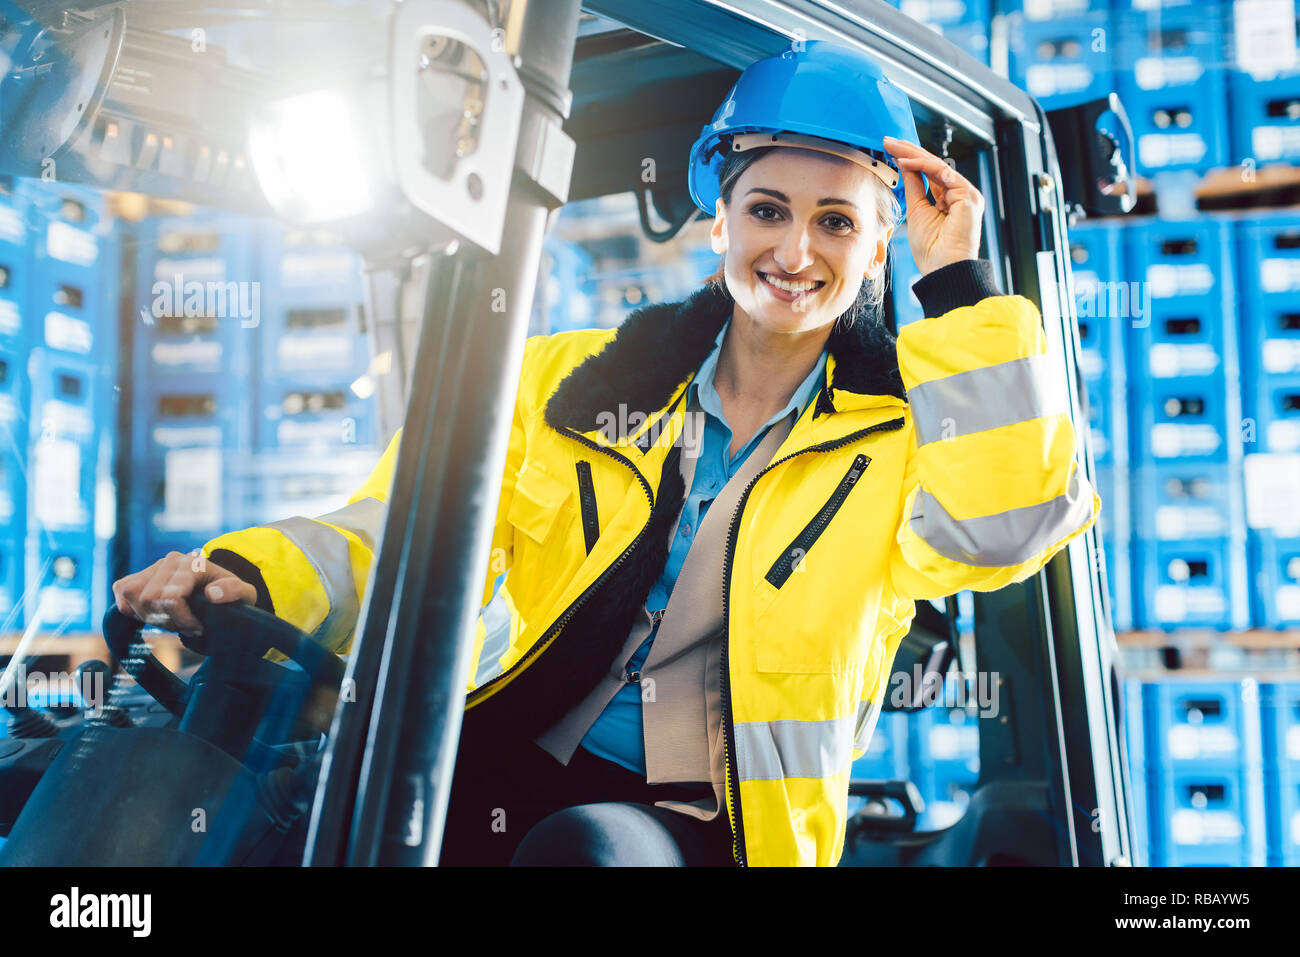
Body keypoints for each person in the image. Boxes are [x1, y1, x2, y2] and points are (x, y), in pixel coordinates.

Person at [112, 42, 1100, 867]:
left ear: (879, 248)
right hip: (487, 751)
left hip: (706, 824)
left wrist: (960, 286)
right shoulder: (565, 382)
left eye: (837, 221)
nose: (795, 250)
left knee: (590, 853)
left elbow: (1006, 525)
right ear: (719, 219)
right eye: (767, 210)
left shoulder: (907, 438)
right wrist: (249, 574)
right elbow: (399, 536)